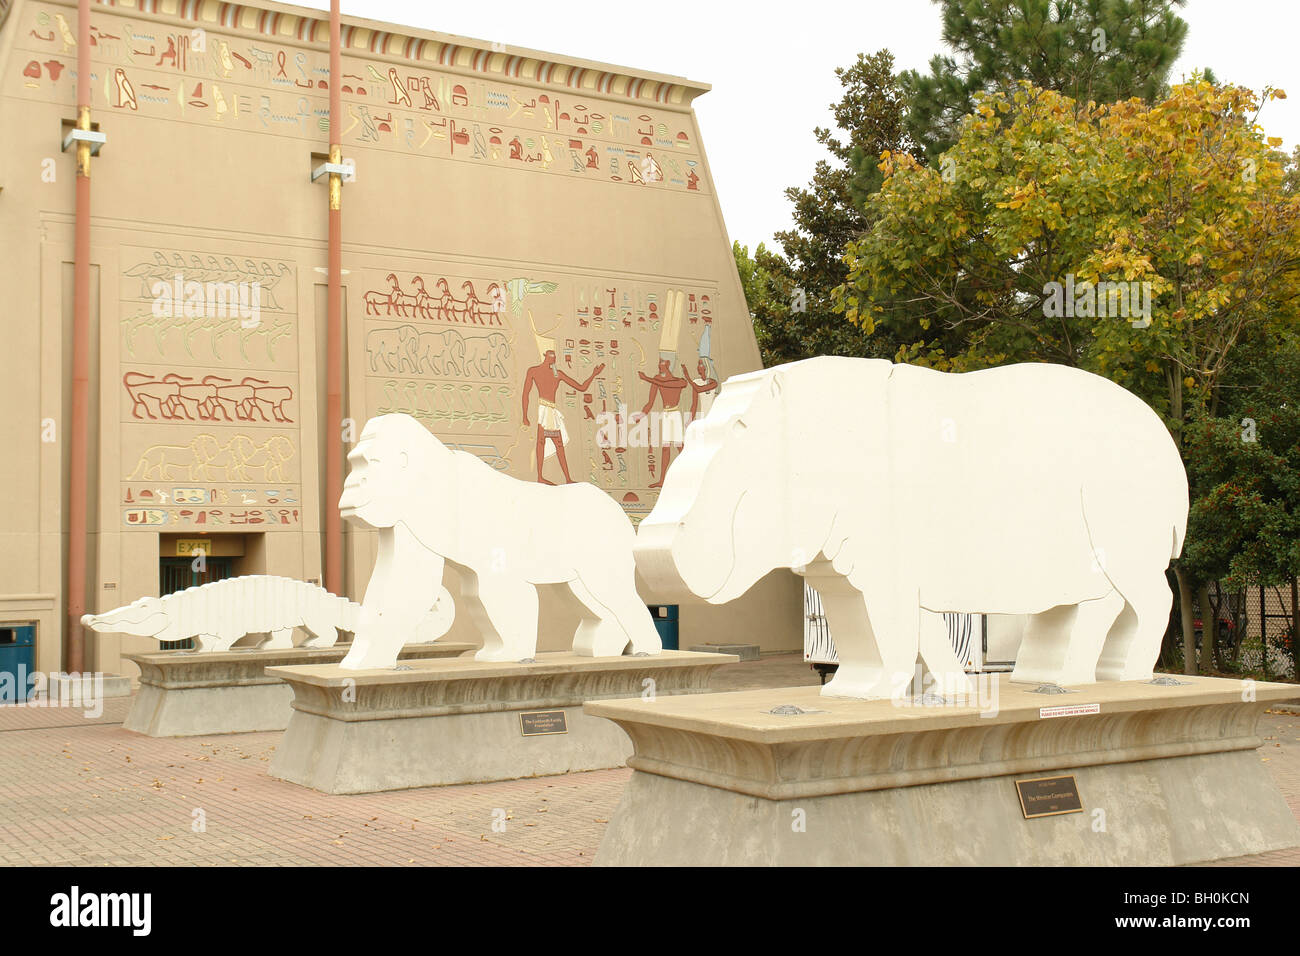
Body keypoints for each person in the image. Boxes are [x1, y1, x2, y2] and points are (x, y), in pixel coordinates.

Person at [521, 349, 604, 484]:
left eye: (554, 358)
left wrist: (594, 374)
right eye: (551, 358)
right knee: (541, 442)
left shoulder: (557, 374)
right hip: (544, 410)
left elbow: (582, 387)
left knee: (559, 444)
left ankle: (567, 478)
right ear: (546, 358)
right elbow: (525, 394)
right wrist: (524, 415)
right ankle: (540, 477)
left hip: (552, 411)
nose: (552, 360)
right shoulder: (533, 371)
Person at [639, 358, 690, 488]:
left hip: (675, 414)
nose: (658, 364)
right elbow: (650, 402)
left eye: (662, 362)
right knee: (665, 448)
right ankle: (662, 480)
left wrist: (647, 379)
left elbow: (670, 385)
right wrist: (642, 414)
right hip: (666, 415)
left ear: (668, 364)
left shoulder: (680, 381)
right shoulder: (657, 380)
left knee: (680, 446)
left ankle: (689, 475)